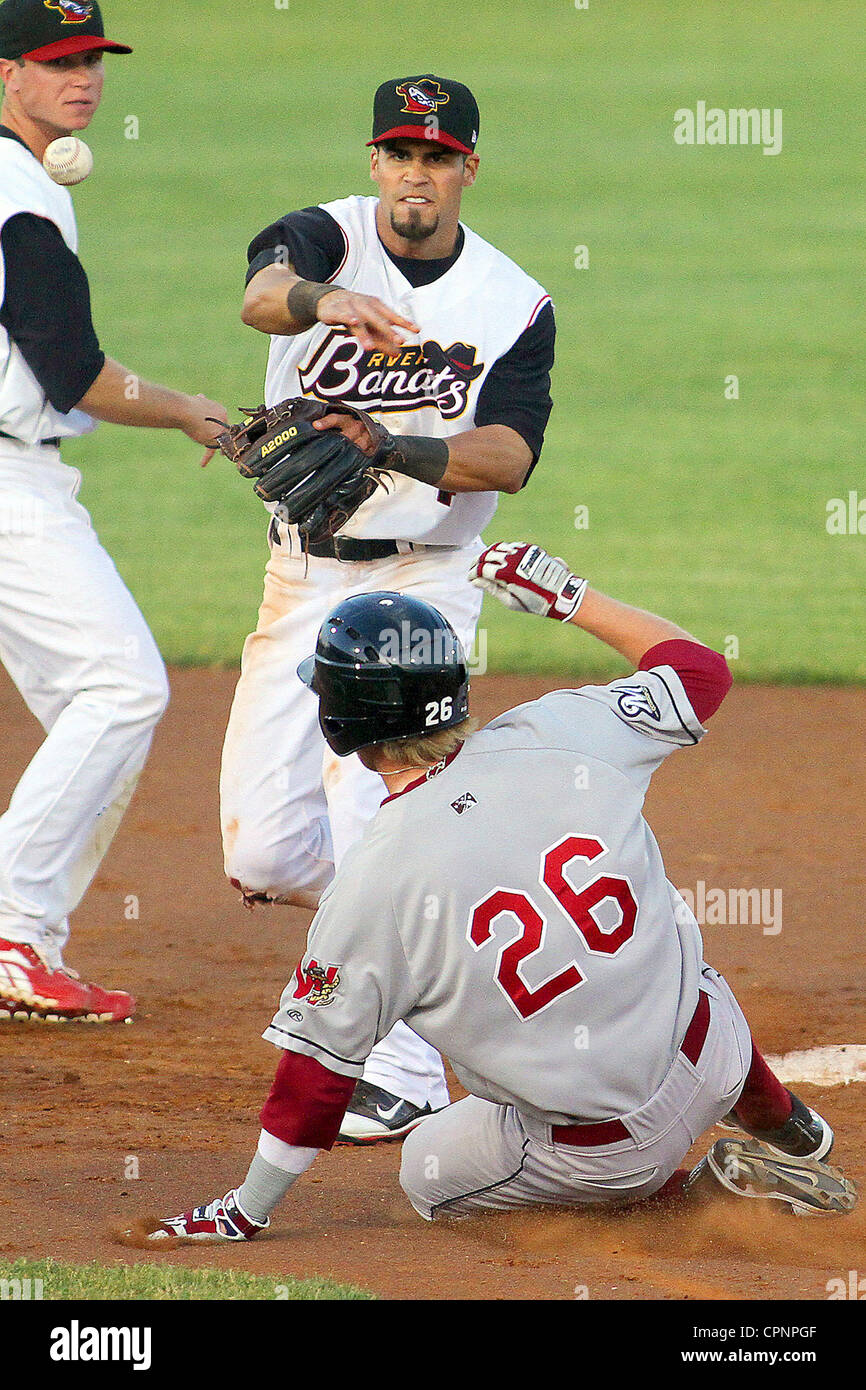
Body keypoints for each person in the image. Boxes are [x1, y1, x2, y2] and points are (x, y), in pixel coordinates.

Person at [132, 542, 856, 1244]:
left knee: (427, 1170)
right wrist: (571, 598)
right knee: (674, 951)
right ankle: (790, 1125)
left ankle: (700, 1200)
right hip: (714, 1049)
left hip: (611, 1149)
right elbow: (700, 673)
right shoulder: (563, 728)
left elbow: (315, 1080)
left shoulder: (372, 884)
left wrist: (245, 1210)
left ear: (341, 722)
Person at [221, 73, 556, 1139]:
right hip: (303, 576)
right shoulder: (321, 235)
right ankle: (439, 907)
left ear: (467, 168)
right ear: (375, 163)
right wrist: (331, 300)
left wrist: (393, 444)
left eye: (438, 157)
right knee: (265, 855)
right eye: (399, 156)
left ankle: (407, 1066)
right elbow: (259, 295)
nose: (417, 175)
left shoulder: (513, 302)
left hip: (424, 578)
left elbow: (506, 456)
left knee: (375, 808)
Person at [0, 0, 228, 1023]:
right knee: (124, 687)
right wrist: (189, 412)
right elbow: (76, 371)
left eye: (91, 58)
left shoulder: (23, 181)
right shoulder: (19, 196)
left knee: (92, 718)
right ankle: (9, 931)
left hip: (26, 471)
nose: (81, 79)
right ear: (8, 73)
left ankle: (27, 940)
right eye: (56, 63)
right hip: (10, 481)